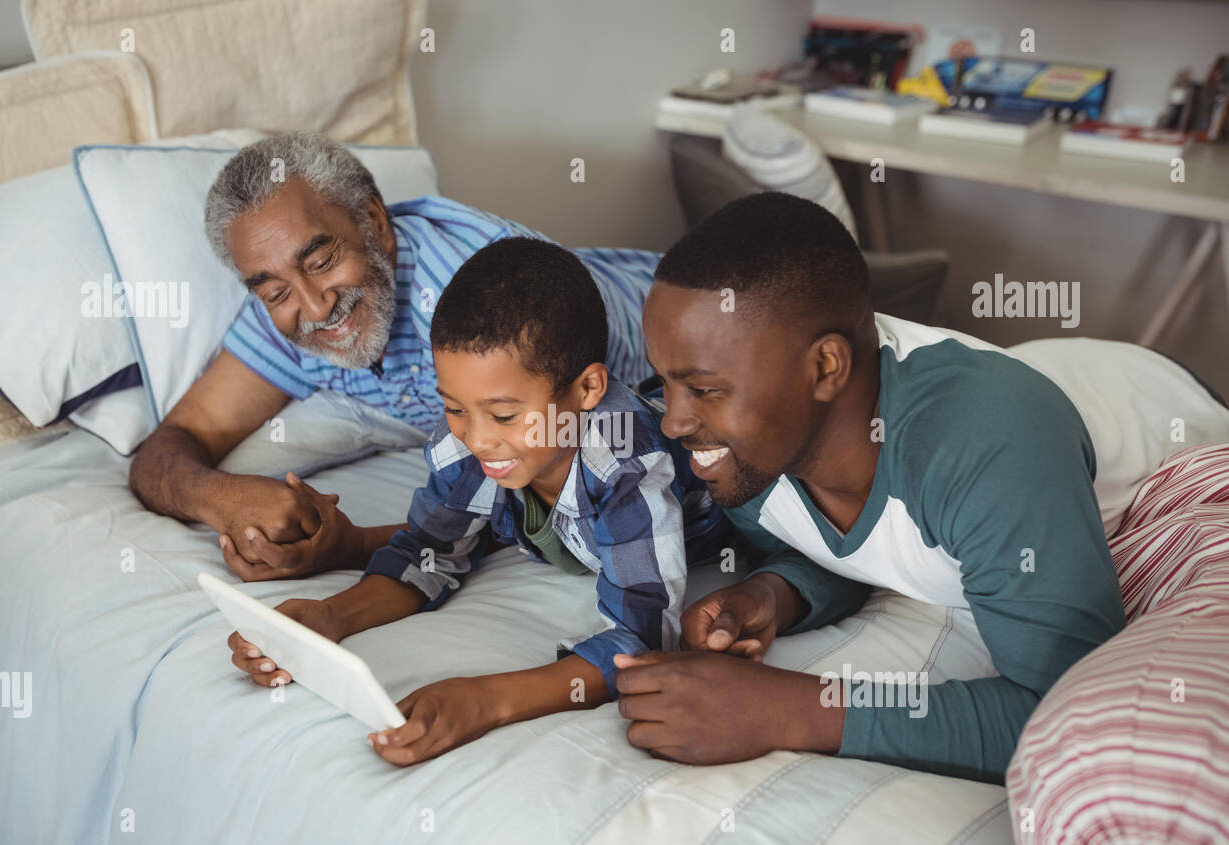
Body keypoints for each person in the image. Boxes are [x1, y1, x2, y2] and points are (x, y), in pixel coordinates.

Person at [616, 190, 1229, 783]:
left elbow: (1065, 709)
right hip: (1038, 384)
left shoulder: (983, 444)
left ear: (825, 366)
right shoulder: (743, 452)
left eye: (704, 389)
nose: (673, 421)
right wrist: (774, 595)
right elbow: (851, 542)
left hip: (1167, 433)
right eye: (666, 383)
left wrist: (785, 708)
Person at [227, 237, 727, 765]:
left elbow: (641, 638)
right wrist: (329, 619)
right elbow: (430, 553)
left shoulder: (627, 463)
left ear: (586, 391)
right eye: (453, 408)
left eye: (506, 416)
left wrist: (484, 701)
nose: (478, 439)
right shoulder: (470, 441)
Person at [128, 132, 658, 582]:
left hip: (669, 324)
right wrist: (223, 499)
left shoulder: (484, 302)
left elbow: (538, 500)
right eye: (274, 292)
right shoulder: (286, 316)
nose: (315, 307)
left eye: (321, 260)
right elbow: (168, 448)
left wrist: (351, 546)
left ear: (374, 222)